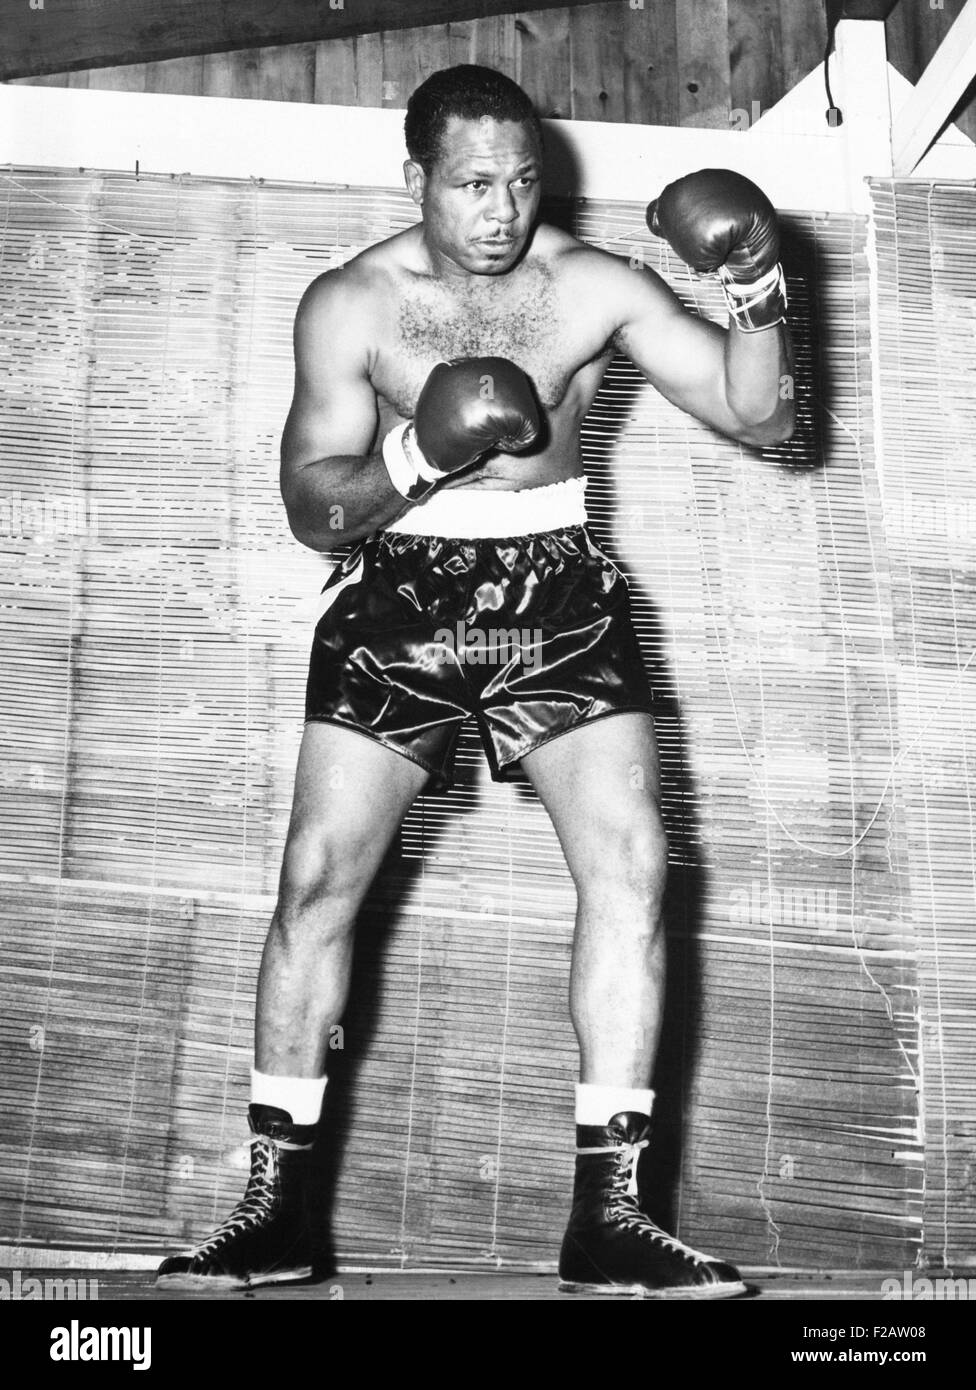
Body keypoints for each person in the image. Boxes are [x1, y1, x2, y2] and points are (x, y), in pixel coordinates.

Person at [157, 63, 793, 1298]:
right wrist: (417, 449)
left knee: (632, 868)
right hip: (400, 596)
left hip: (557, 592)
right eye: (470, 185)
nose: (501, 211)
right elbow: (312, 507)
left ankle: (609, 1217)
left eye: (520, 182)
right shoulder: (351, 303)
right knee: (315, 879)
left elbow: (757, 414)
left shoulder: (594, 284)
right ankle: (276, 1209)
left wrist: (762, 287)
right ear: (417, 182)